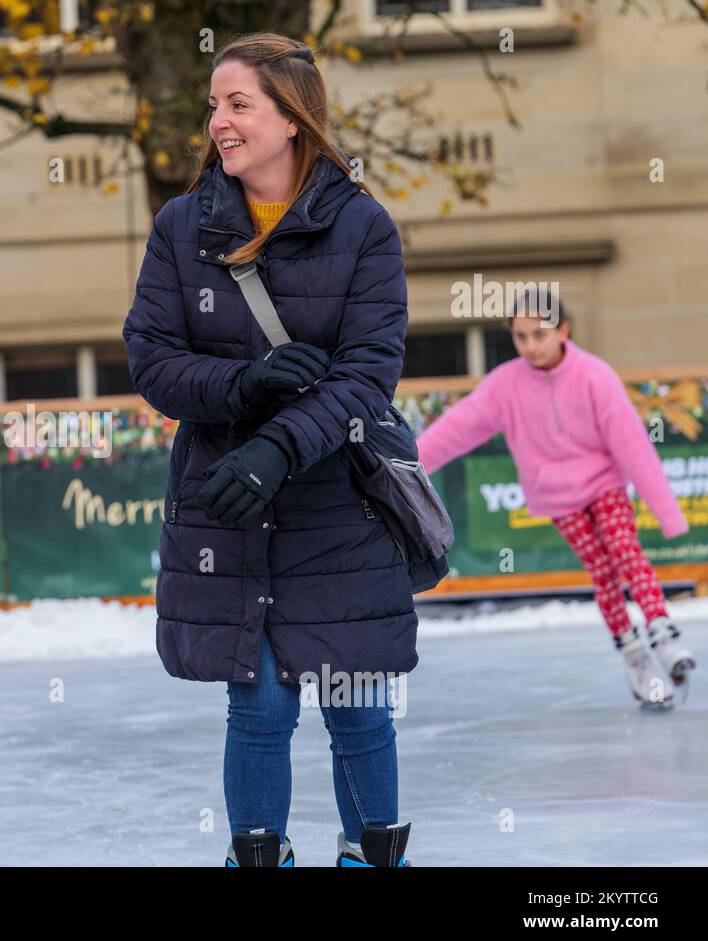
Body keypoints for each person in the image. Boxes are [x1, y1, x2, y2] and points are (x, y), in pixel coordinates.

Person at [123, 33, 415, 867]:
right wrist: (243, 385)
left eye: (238, 103)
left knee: (358, 704)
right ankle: (258, 858)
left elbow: (368, 375)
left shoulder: (363, 228)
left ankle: (372, 856)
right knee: (257, 704)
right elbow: (150, 357)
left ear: (292, 118)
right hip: (228, 510)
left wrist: (279, 448)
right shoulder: (184, 228)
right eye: (213, 104)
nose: (218, 121)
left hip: (338, 508)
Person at [416, 295, 694, 707]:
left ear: (563, 331)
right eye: (521, 336)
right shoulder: (506, 384)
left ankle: (662, 632)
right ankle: (635, 656)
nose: (530, 346)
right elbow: (459, 427)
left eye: (540, 335)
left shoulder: (594, 376)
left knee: (625, 550)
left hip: (604, 485)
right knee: (602, 573)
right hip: (558, 497)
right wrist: (410, 463)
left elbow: (633, 446)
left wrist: (668, 514)